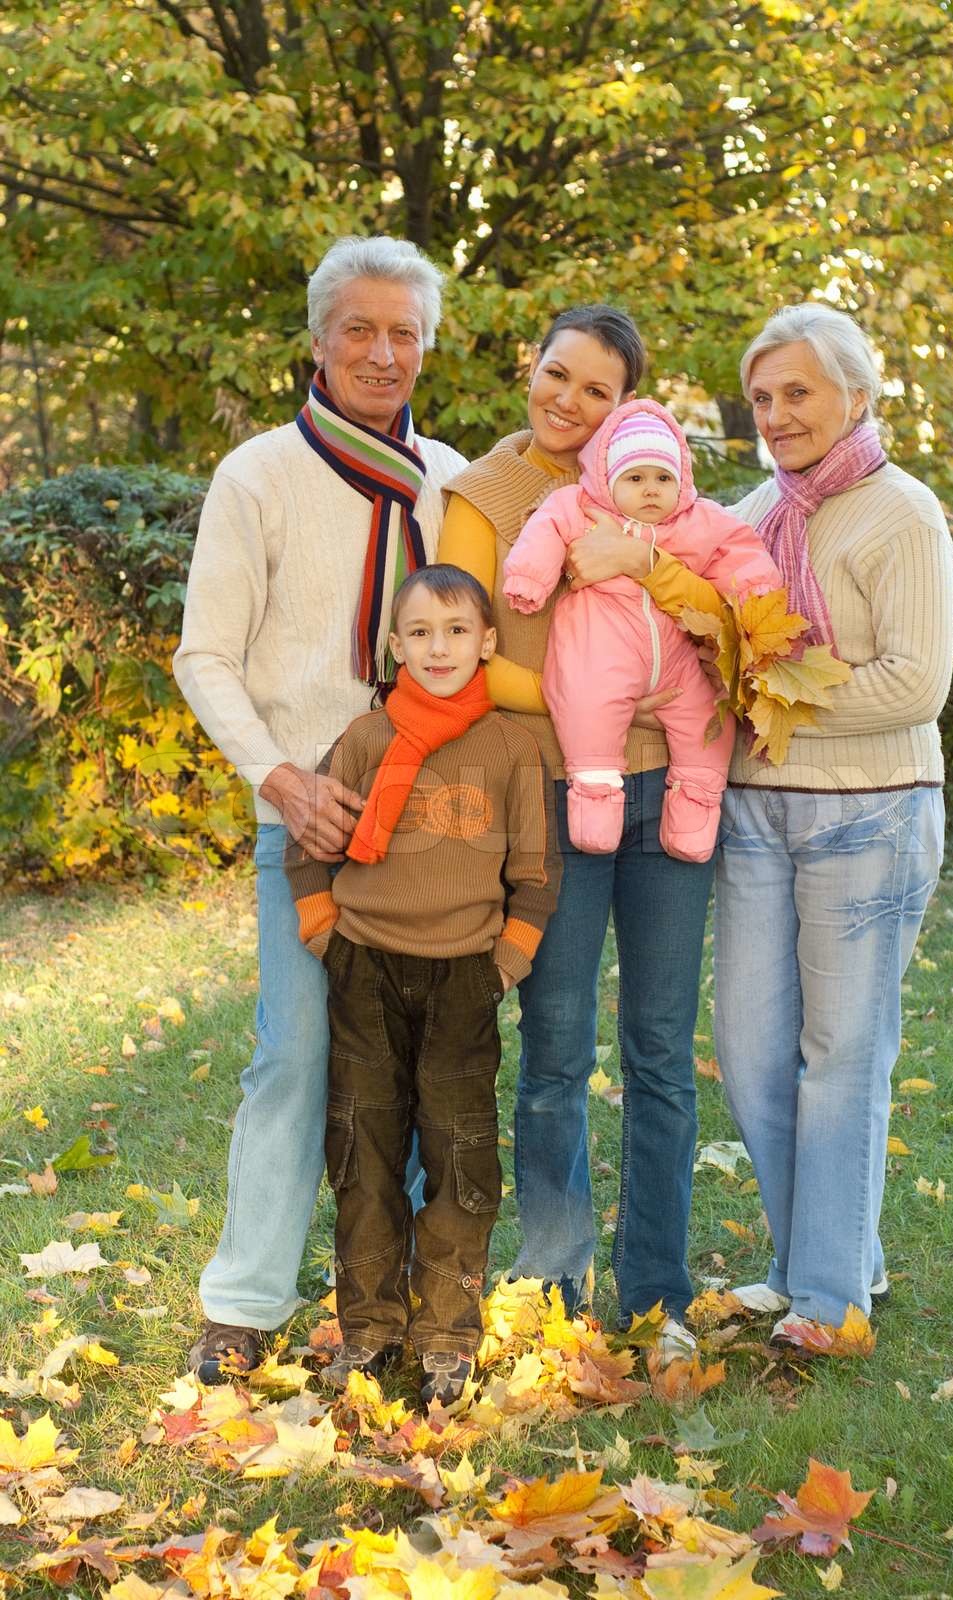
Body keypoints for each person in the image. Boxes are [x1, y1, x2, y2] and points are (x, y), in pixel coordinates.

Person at [172, 236, 467, 1383]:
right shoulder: (255, 476)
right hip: (306, 820)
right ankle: (243, 1298)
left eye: (404, 332)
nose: (383, 352)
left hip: (431, 830)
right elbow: (205, 655)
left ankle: (400, 1304)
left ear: (426, 348)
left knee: (415, 1068)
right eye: (361, 328)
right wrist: (282, 780)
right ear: (318, 340)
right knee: (295, 1057)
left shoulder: (450, 482)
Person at [438, 305, 736, 1361]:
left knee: (659, 1049)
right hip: (556, 798)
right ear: (533, 366)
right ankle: (555, 1279)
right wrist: (589, 701)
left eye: (596, 388)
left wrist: (642, 572)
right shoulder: (487, 493)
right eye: (556, 373)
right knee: (556, 1047)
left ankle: (656, 1289)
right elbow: (459, 651)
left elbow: (723, 603)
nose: (568, 399)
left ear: (628, 405)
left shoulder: (656, 493)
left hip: (669, 801)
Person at [712, 303, 953, 1344]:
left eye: (798, 392)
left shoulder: (900, 513)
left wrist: (770, 694)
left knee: (841, 1051)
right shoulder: (749, 513)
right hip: (756, 811)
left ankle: (826, 1297)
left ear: (857, 393)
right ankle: (832, 1254)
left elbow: (914, 684)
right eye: (764, 397)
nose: (778, 414)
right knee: (751, 1051)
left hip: (872, 814)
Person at [284, 565, 560, 1407]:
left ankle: (446, 1333)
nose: (437, 648)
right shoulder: (364, 740)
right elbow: (309, 846)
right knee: (363, 1149)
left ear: (485, 643)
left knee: (458, 1150)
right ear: (393, 645)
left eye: (455, 631)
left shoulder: (512, 748)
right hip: (364, 967)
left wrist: (504, 962)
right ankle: (368, 1329)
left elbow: (535, 875)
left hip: (464, 978)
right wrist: (325, 938)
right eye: (419, 632)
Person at [503, 398, 780, 860]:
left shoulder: (700, 521)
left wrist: (755, 596)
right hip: (601, 654)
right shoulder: (583, 508)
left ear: (682, 481)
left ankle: (695, 803)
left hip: (680, 660)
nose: (650, 490)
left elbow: (741, 554)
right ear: (609, 479)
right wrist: (530, 578)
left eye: (663, 478)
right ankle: (594, 799)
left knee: (709, 721)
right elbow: (546, 528)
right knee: (587, 709)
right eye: (635, 478)